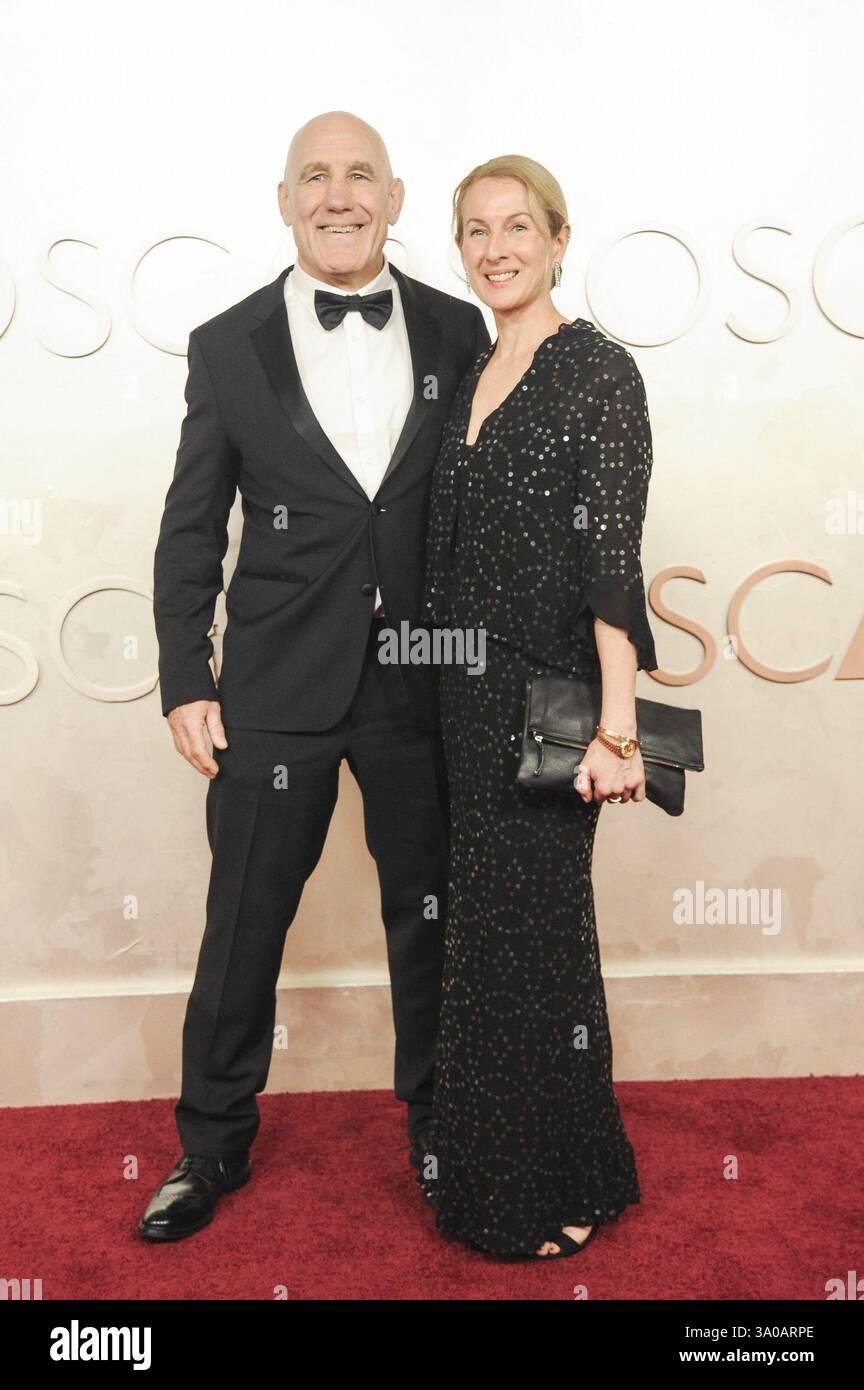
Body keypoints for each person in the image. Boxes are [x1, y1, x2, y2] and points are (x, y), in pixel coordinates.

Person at [141, 111, 490, 1241]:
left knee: (431, 919)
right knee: (242, 922)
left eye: (360, 177)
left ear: (394, 197)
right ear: (283, 199)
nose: (338, 196)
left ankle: (443, 1133)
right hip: (273, 686)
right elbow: (191, 526)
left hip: (421, 677)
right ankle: (209, 1147)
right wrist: (186, 676)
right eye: (315, 178)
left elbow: (481, 510)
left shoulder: (455, 327)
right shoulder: (227, 342)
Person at [418, 155, 658, 1259]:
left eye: (519, 227)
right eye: (476, 230)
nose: (497, 247)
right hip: (461, 699)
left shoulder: (598, 371)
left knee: (538, 944)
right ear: (459, 246)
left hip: (551, 700)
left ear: (560, 238)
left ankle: (551, 1182)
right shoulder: (471, 365)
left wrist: (616, 730)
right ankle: (508, 1169)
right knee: (486, 938)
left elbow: (612, 558)